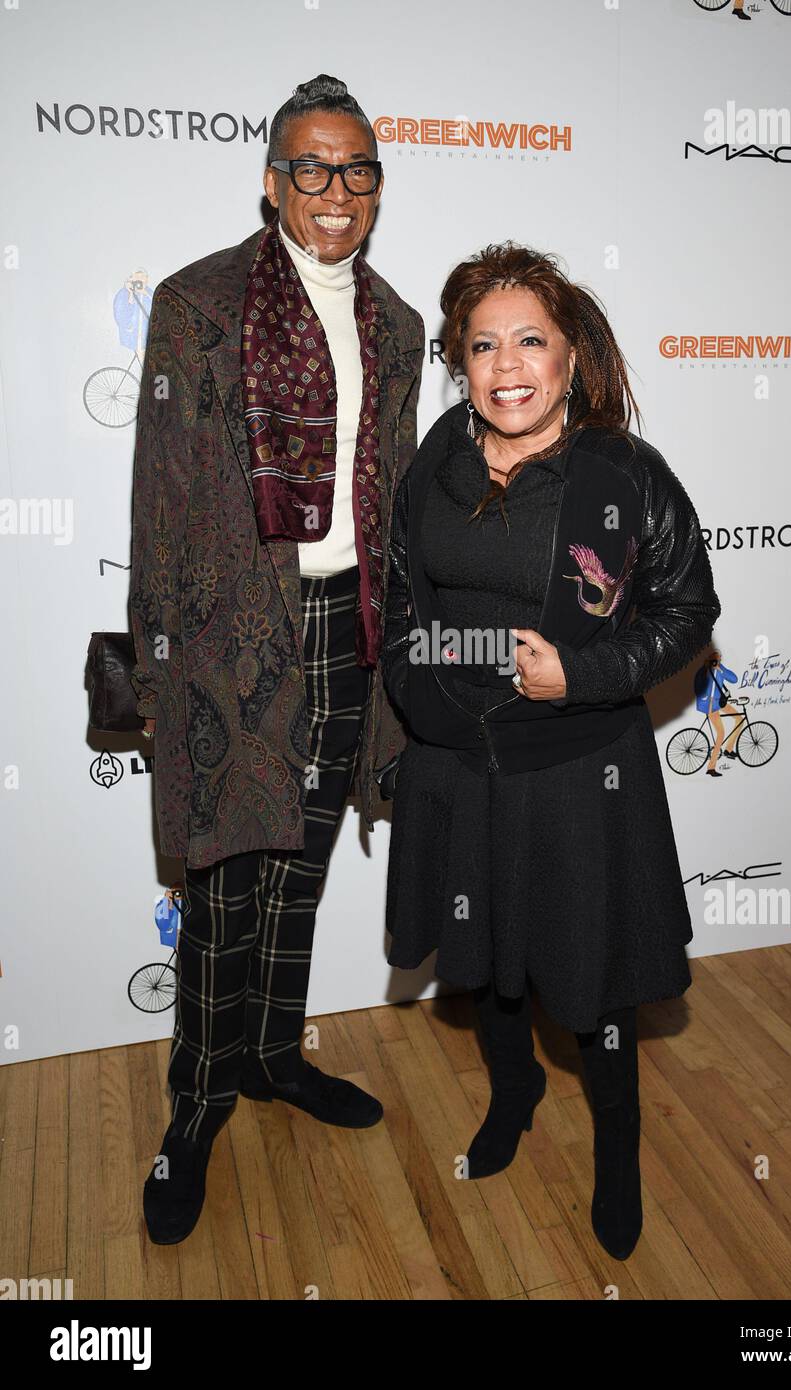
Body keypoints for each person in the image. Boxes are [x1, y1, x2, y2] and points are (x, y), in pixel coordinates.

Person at [380, 243, 721, 1261]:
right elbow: (402, 598)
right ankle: (514, 1091)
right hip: (459, 764)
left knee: (593, 979)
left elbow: (685, 609)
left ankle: (615, 1149)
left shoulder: (620, 474)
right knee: (486, 968)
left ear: (572, 355)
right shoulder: (437, 455)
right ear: (459, 360)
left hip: (581, 773)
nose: (506, 365)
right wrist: (431, 676)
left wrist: (579, 674)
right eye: (481, 345)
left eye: (530, 339)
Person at [128, 74, 424, 1245]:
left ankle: (270, 1058)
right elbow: (159, 493)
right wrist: (159, 663)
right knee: (224, 880)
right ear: (272, 181)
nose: (334, 190)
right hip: (230, 629)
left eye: (356, 169)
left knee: (300, 865)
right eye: (310, 167)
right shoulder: (197, 307)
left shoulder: (395, 324)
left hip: (346, 623)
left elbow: (396, 490)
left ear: (375, 186)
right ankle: (194, 1106)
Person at [694, 652, 742, 775]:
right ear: (712, 659)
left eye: (720, 657)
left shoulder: (719, 667)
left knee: (739, 719)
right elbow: (710, 691)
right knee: (721, 733)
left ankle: (729, 749)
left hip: (719, 703)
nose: (720, 658)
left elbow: (734, 679)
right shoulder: (706, 671)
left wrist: (720, 669)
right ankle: (711, 768)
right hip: (710, 706)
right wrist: (709, 707)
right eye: (718, 657)